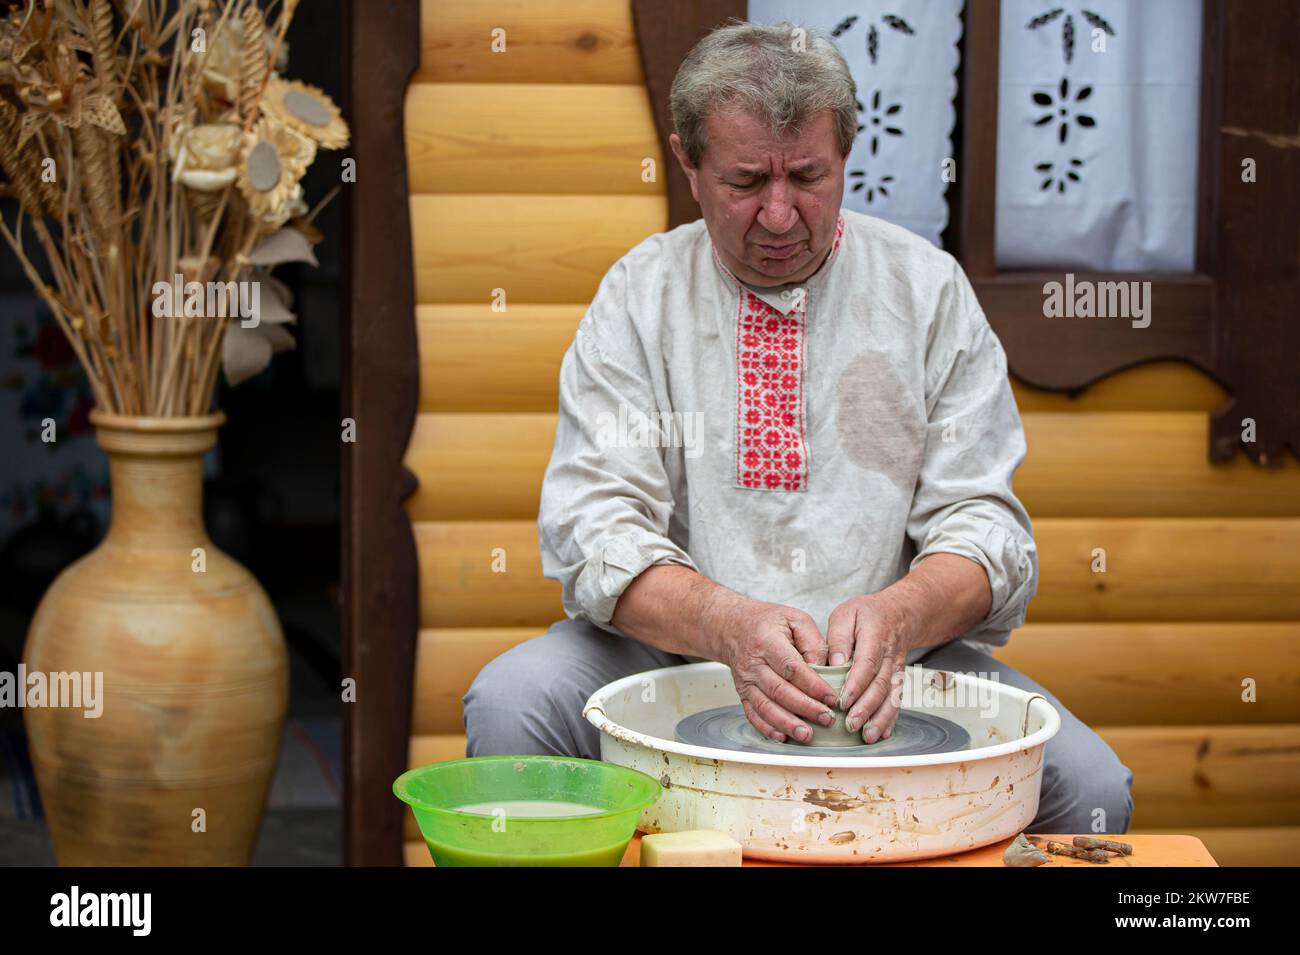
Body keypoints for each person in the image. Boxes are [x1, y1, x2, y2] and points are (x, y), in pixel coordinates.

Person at [464, 21, 1132, 833]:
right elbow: (592, 526)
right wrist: (725, 624)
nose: (779, 215)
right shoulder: (641, 296)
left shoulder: (925, 290)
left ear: (845, 155)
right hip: (673, 656)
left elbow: (986, 526)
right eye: (746, 180)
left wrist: (906, 613)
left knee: (1091, 787)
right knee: (512, 702)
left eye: (808, 176)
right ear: (687, 161)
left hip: (895, 668)